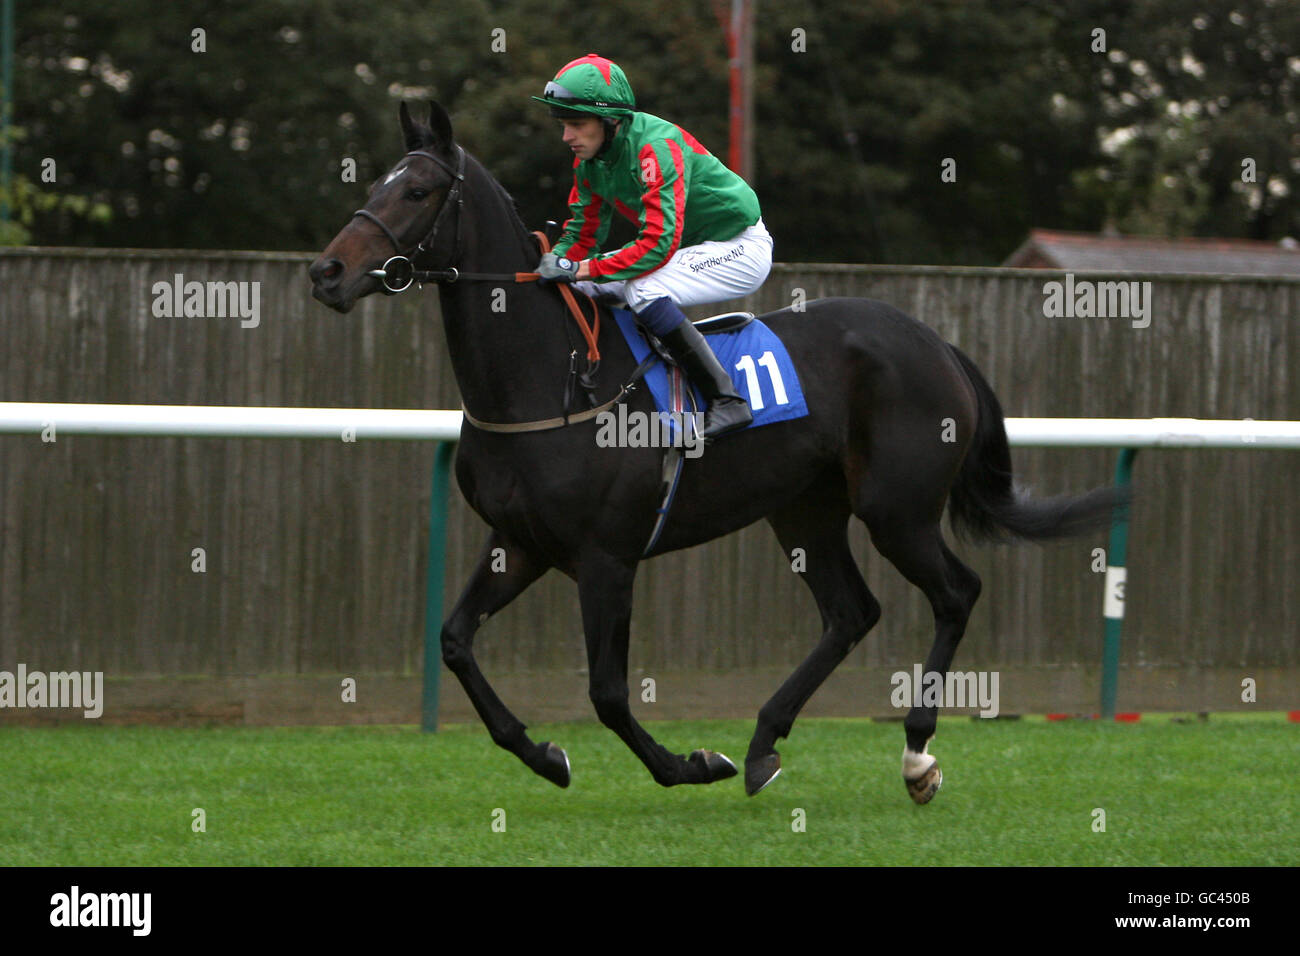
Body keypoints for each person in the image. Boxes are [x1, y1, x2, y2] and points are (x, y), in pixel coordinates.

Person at [532, 53, 774, 440]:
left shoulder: (656, 148)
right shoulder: (591, 161)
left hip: (739, 247)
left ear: (611, 120)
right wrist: (554, 263)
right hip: (686, 249)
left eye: (576, 124)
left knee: (642, 287)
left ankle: (726, 400)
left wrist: (580, 268)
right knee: (576, 286)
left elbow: (656, 247)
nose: (567, 137)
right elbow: (582, 234)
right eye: (563, 125)